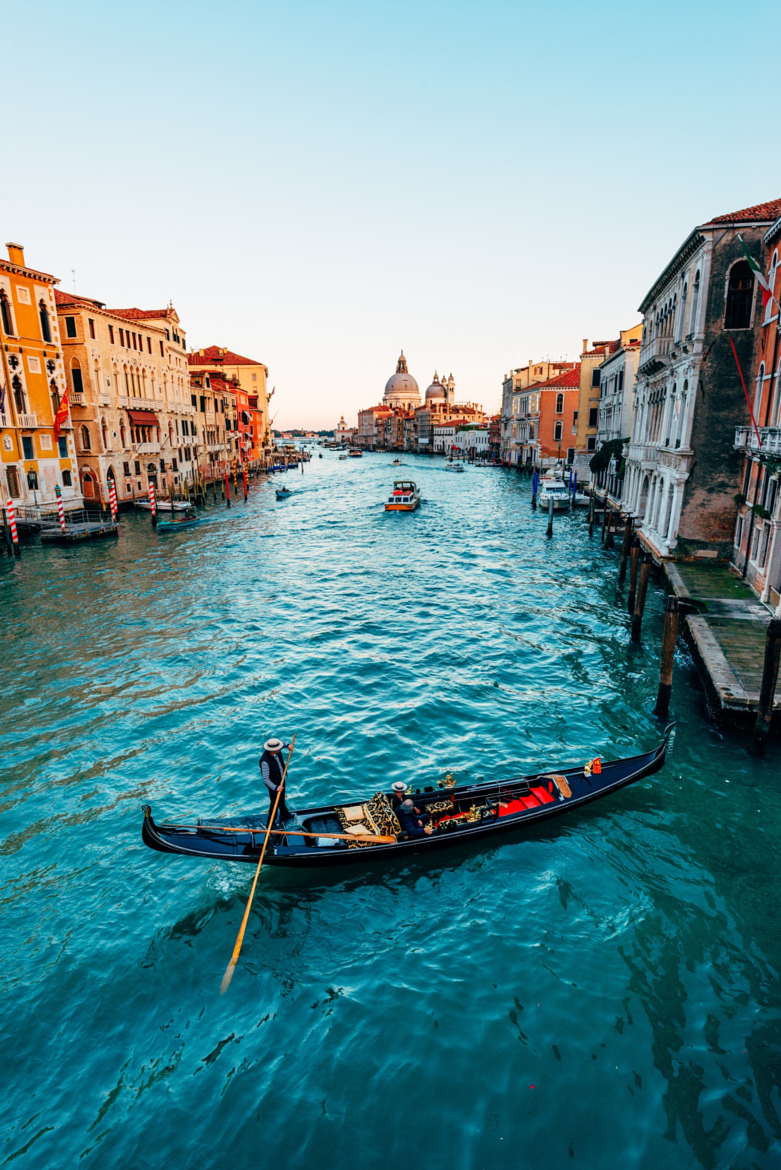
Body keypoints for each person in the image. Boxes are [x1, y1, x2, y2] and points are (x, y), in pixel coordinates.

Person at [259, 737, 295, 826]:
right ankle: (270, 823)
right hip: (273, 785)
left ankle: (284, 814)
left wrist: (288, 745)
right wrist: (275, 787)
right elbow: (266, 779)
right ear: (273, 750)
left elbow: (283, 743)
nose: (280, 748)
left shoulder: (276, 750)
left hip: (281, 780)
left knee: (281, 799)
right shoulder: (264, 761)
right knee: (274, 803)